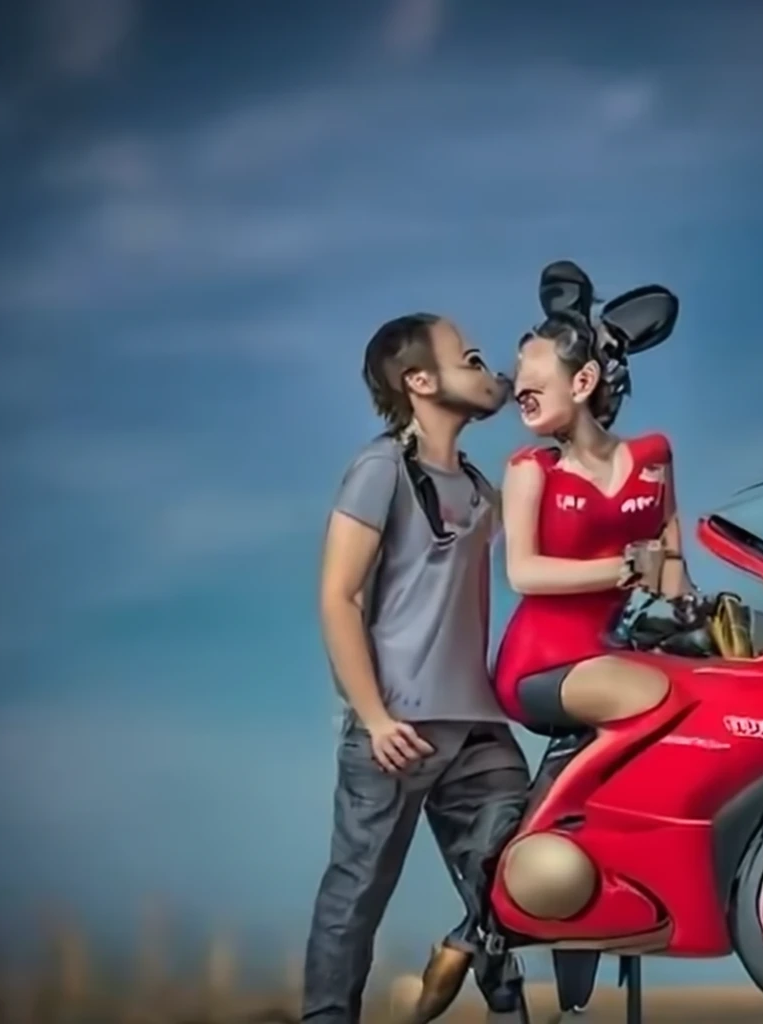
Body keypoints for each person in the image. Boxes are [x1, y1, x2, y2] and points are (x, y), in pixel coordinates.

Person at [302, 313, 531, 1024]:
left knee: (513, 874)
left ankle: (492, 992)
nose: (487, 370)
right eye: (470, 359)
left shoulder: (477, 484)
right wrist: (372, 717)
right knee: (357, 892)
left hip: (477, 722)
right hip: (396, 728)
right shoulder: (379, 470)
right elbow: (338, 595)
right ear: (421, 381)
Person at [495, 259, 687, 738]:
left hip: (617, 649)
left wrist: (686, 608)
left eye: (534, 372)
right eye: (518, 374)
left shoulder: (653, 456)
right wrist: (621, 570)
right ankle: (554, 811)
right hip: (542, 663)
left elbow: (669, 555)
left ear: (582, 382)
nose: (519, 387)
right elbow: (523, 572)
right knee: (664, 697)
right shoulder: (530, 469)